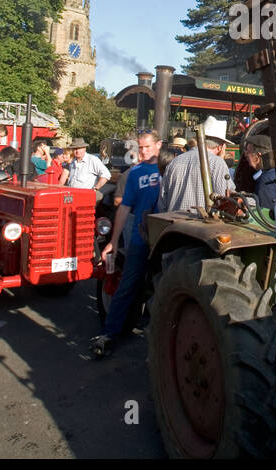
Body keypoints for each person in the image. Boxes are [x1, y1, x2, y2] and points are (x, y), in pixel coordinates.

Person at [94, 130, 162, 357]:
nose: (142, 152)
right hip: (141, 237)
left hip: (165, 236)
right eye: (140, 147)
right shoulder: (135, 174)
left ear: (159, 146)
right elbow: (123, 208)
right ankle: (110, 332)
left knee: (161, 285)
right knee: (128, 284)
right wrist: (113, 241)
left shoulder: (170, 169)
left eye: (146, 147)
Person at [158, 116, 235, 213]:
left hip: (173, 225)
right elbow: (226, 200)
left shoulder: (174, 162)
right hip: (200, 226)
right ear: (221, 147)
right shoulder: (217, 163)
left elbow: (162, 204)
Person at [242, 133, 276, 213]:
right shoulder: (274, 173)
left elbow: (266, 213)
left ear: (257, 157)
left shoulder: (266, 180)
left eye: (248, 151)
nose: (245, 154)